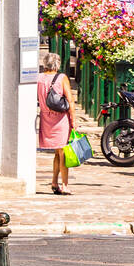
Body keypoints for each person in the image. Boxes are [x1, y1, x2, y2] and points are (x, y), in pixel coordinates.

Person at [37, 51, 77, 195]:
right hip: (60, 119)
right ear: (58, 64)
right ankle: (64, 185)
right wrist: (73, 120)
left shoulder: (39, 78)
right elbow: (70, 100)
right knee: (63, 153)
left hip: (46, 118)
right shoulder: (61, 78)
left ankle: (54, 182)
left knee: (57, 152)